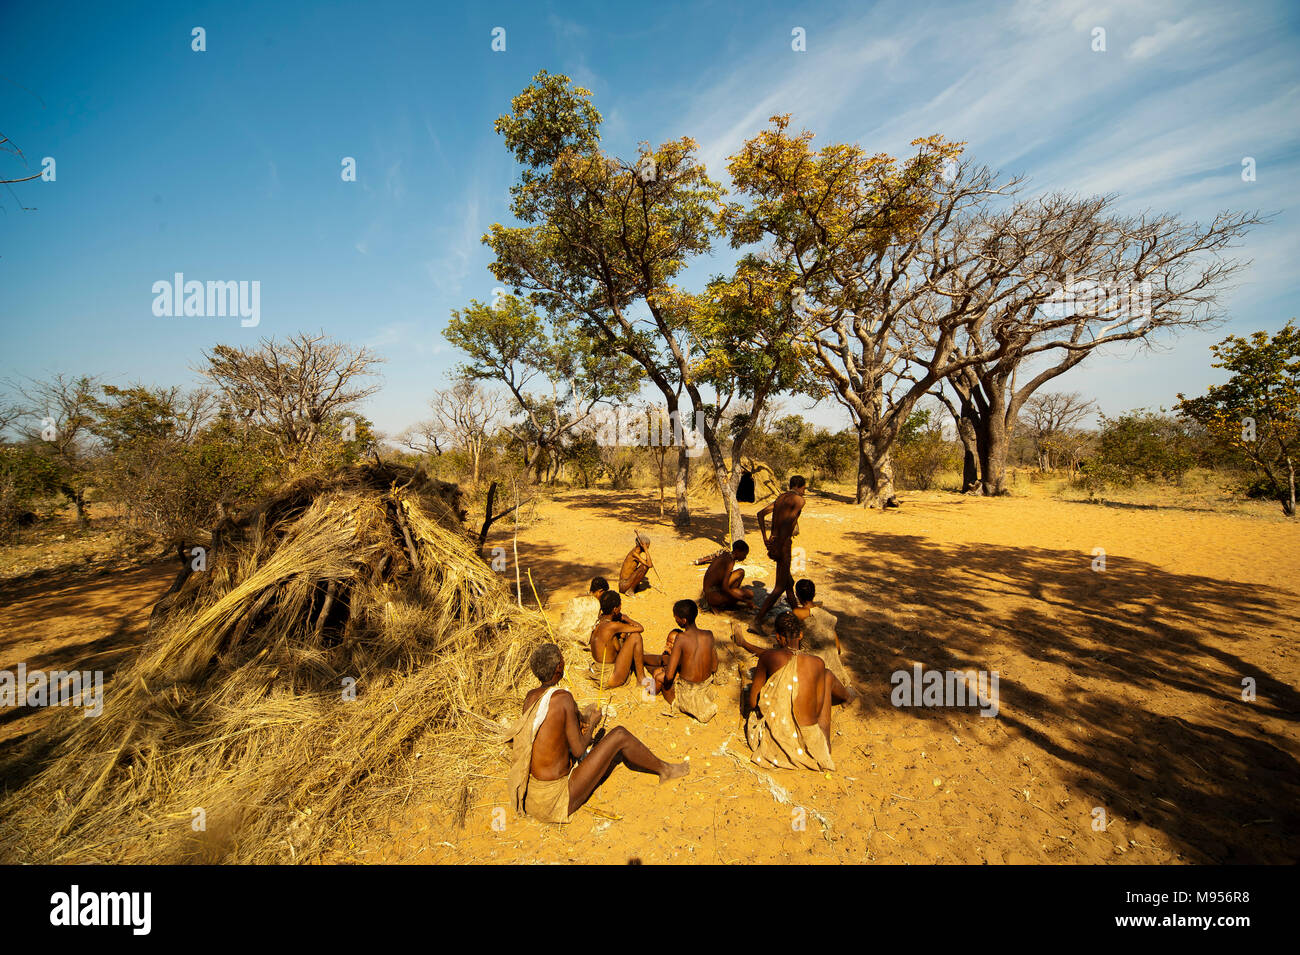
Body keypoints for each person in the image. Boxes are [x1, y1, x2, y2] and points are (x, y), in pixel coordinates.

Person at [506, 643, 689, 823]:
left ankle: (664, 769)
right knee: (619, 735)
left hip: (533, 796)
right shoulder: (563, 698)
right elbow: (578, 751)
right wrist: (592, 724)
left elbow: (549, 736)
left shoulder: (530, 697)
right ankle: (665, 770)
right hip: (554, 800)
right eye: (562, 660)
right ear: (559, 667)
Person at [742, 611, 846, 771]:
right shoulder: (818, 663)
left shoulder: (769, 657)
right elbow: (817, 709)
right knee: (827, 677)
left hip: (778, 740)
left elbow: (753, 702)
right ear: (801, 634)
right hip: (810, 741)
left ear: (778, 637)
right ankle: (825, 744)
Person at [753, 476, 806, 633]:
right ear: (800, 487)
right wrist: (779, 545)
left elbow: (760, 514)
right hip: (783, 543)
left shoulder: (780, 498)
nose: (804, 491)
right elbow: (788, 523)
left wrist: (766, 539)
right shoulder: (799, 501)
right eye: (804, 488)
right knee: (780, 586)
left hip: (775, 542)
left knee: (788, 582)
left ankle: (798, 615)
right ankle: (757, 621)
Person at [660, 599, 719, 721]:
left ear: (684, 620)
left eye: (676, 617)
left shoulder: (681, 638)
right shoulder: (709, 634)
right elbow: (714, 667)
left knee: (659, 677)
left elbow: (669, 676)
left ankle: (676, 704)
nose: (675, 619)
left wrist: (668, 665)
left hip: (688, 690)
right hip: (705, 685)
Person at [589, 590, 661, 689]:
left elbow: (615, 647)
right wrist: (626, 618)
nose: (621, 608)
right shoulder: (612, 626)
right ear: (615, 609)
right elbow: (640, 628)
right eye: (620, 606)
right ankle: (641, 679)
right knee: (636, 637)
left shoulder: (599, 620)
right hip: (609, 677)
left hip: (597, 671)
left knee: (625, 637)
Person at [696, 540, 755, 611]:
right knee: (749, 595)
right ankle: (728, 602)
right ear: (737, 551)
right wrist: (745, 601)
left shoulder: (727, 555)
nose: (745, 557)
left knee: (741, 572)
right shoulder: (729, 561)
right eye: (744, 554)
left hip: (714, 589)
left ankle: (730, 598)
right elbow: (725, 587)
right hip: (712, 595)